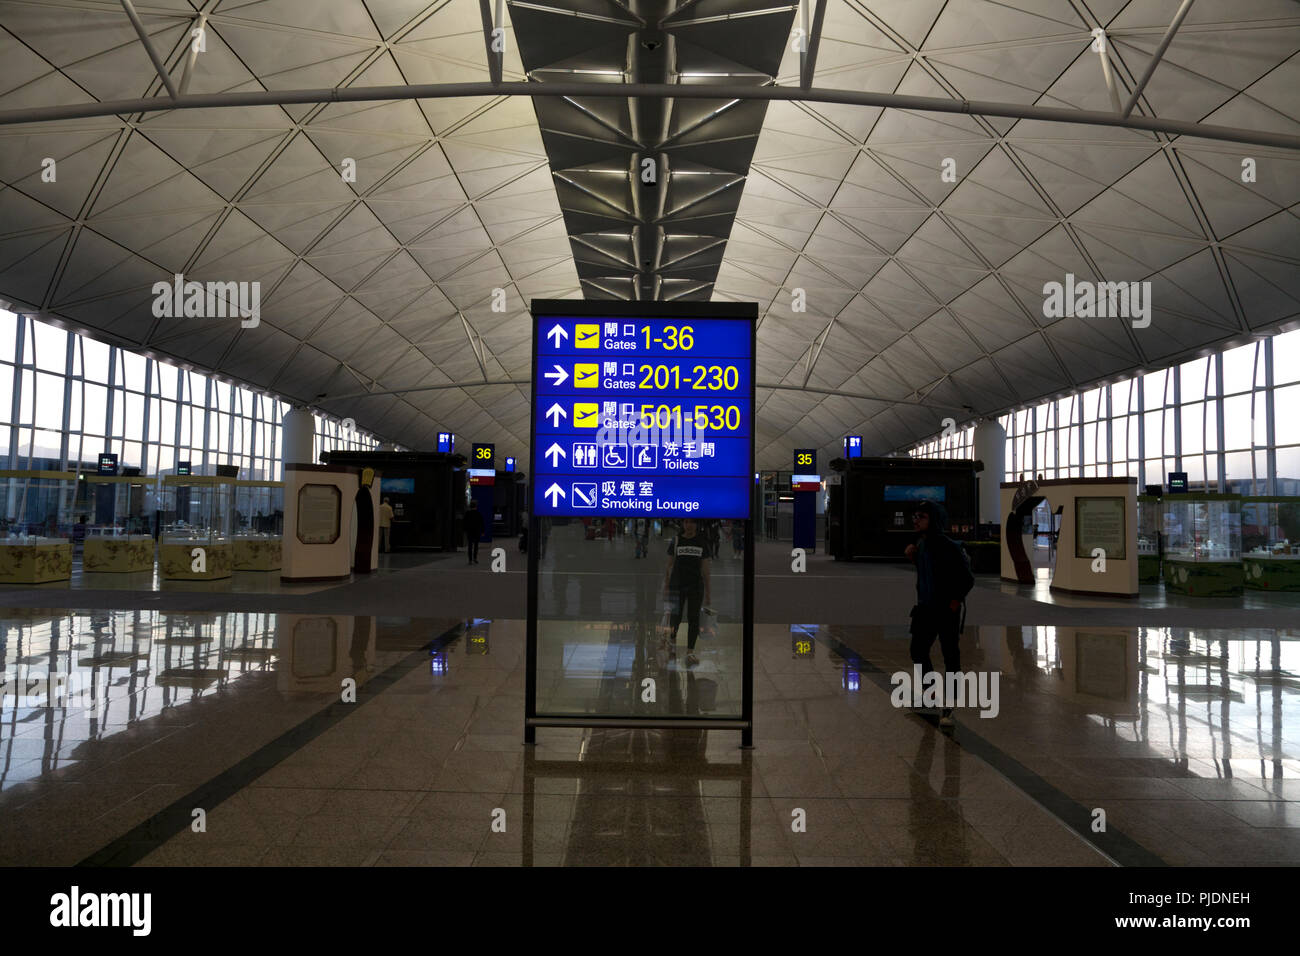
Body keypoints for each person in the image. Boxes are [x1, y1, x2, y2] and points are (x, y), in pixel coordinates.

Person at [905, 500, 974, 727]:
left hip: (945, 611)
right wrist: (914, 558)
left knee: (950, 656)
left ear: (933, 520)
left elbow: (967, 579)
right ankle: (932, 694)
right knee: (918, 651)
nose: (915, 520)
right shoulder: (922, 545)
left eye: (921, 516)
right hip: (925, 609)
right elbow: (929, 575)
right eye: (915, 516)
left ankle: (949, 706)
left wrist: (953, 603)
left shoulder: (948, 546)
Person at [662, 518, 711, 668]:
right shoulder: (676, 541)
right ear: (683, 524)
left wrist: (708, 592)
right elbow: (669, 566)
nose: (688, 525)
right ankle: (672, 646)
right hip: (677, 585)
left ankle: (690, 652)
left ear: (696, 525)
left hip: (696, 586)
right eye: (686, 522)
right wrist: (666, 586)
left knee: (694, 618)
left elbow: (705, 570)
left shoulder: (702, 543)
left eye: (692, 522)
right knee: (675, 618)